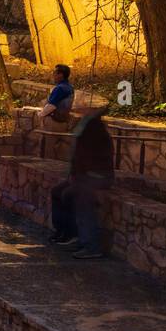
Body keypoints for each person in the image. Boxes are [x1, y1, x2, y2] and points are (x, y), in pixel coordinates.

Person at [50, 108, 113, 259]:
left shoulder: (93, 130)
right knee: (58, 192)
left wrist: (78, 176)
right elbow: (78, 157)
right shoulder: (86, 127)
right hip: (85, 176)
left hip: (96, 177)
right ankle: (68, 234)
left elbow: (88, 158)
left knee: (80, 197)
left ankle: (91, 245)